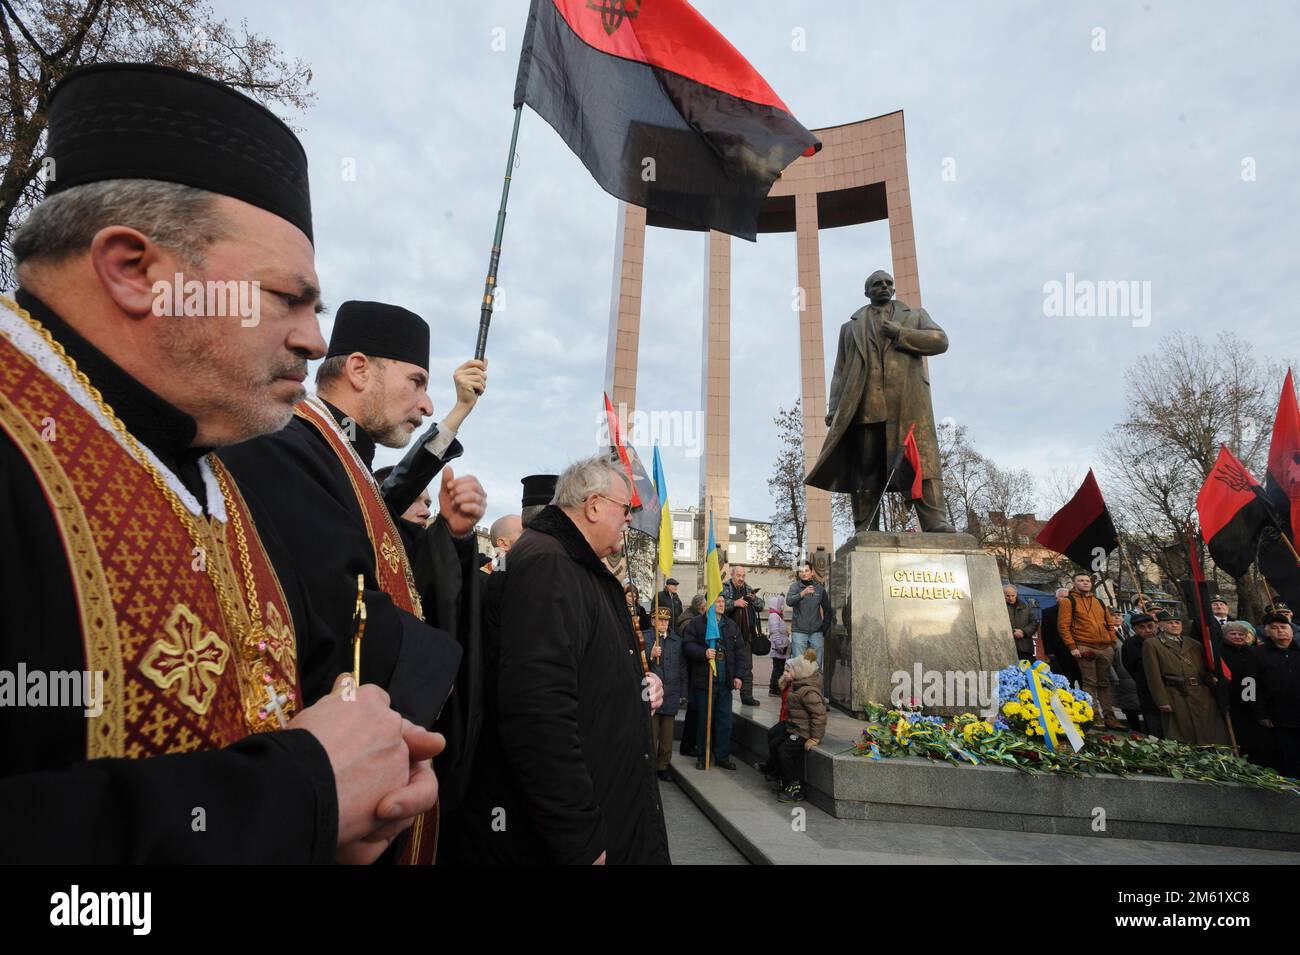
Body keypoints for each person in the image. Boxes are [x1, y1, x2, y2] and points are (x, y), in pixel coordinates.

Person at [0, 62, 441, 863]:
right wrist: (297, 795)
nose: (315, 340)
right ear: (135, 271)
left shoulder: (210, 474)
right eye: (288, 298)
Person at [219, 302, 485, 861]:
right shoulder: (287, 442)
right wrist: (454, 675)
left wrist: (457, 417)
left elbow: (376, 509)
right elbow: (337, 597)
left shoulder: (339, 452)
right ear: (360, 370)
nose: (426, 401)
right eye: (416, 381)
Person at [450, 454, 669, 864]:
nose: (629, 520)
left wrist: (638, 683)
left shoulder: (578, 565)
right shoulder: (548, 564)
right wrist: (579, 836)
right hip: (582, 829)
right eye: (626, 509)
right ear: (594, 505)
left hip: (612, 804)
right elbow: (538, 712)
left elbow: (588, 667)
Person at [807, 269, 955, 533]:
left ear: (894, 289)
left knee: (922, 461)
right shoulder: (850, 327)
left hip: (909, 404)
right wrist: (834, 407)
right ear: (867, 292)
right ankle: (865, 527)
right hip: (865, 405)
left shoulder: (915, 316)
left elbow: (940, 341)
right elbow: (840, 371)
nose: (884, 286)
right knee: (865, 469)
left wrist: (900, 333)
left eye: (888, 283)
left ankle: (935, 521)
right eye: (877, 284)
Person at [1141, 609, 1231, 746]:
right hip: (1176, 695)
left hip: (1201, 694)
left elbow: (1204, 670)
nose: (1174, 625)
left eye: (1177, 622)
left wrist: (1216, 685)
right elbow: (1153, 675)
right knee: (1183, 735)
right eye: (1169, 622)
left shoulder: (1194, 644)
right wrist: (1162, 700)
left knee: (1211, 733)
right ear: (1160, 625)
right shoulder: (1153, 644)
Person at [682, 593, 747, 770]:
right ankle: (703, 755)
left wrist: (738, 676)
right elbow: (687, 645)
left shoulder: (731, 625)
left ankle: (722, 756)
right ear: (709, 604)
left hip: (725, 683)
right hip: (705, 681)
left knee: (724, 721)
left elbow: (740, 653)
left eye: (723, 602)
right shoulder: (697, 623)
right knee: (705, 720)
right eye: (717, 601)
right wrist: (703, 653)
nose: (721, 604)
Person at [1057, 572, 1125, 729]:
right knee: (1090, 683)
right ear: (1074, 584)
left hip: (1105, 647)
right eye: (1081, 580)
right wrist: (1073, 647)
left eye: (1087, 580)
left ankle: (1109, 716)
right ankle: (1093, 715)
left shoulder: (1099, 602)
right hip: (1085, 646)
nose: (1085, 583)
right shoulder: (1068, 602)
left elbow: (1109, 622)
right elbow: (1063, 626)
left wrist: (1112, 642)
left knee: (1104, 683)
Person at [1220, 620, 1274, 767]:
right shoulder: (1219, 652)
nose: (1238, 637)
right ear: (1225, 636)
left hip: (1250, 698)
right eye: (1233, 634)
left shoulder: (1252, 652)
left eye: (1241, 634)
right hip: (1231, 699)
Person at [776, 649, 827, 803]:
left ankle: (794, 788)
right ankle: (784, 782)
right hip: (795, 728)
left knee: (784, 751)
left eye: (792, 669)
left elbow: (819, 715)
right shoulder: (799, 685)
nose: (789, 670)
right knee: (777, 743)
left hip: (803, 732)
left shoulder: (808, 692)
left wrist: (815, 738)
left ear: (800, 672)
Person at [1255, 612, 1300, 778]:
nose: (1280, 631)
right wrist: (1260, 713)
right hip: (1278, 716)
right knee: (1289, 756)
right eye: (1274, 628)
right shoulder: (1257, 654)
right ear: (1266, 632)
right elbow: (1249, 685)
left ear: (1291, 630)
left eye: (1283, 627)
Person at [646, 607, 686, 781]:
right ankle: (648, 766)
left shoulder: (676, 640)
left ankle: (663, 766)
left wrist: (683, 691)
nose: (663, 623)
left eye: (666, 620)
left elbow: (683, 668)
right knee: (650, 732)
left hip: (670, 692)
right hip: (651, 693)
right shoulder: (645, 637)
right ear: (653, 621)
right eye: (659, 620)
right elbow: (635, 661)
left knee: (667, 735)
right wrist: (650, 653)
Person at [723, 564, 765, 706]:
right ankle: (724, 695)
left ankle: (747, 697)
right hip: (727, 636)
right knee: (726, 666)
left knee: (747, 668)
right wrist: (735, 603)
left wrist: (753, 599)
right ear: (732, 575)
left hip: (746, 637)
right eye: (738, 576)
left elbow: (761, 605)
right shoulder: (725, 587)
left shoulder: (748, 588)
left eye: (743, 576)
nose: (741, 579)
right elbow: (718, 604)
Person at [1121, 612, 1163, 737]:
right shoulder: (1130, 645)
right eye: (1142, 628)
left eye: (1150, 626)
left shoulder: (1162, 641)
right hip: (1147, 691)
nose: (1148, 630)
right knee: (1154, 727)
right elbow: (1130, 666)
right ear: (1135, 629)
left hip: (1169, 690)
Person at [787, 559, 832, 670]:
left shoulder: (820, 589)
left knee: (816, 666)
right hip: (799, 632)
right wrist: (803, 593)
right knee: (798, 667)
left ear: (812, 572)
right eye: (801, 571)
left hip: (816, 633)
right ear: (798, 573)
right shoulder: (794, 587)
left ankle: (815, 687)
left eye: (806, 570)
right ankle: (800, 687)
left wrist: (823, 628)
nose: (804, 573)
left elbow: (828, 610)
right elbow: (789, 601)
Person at [678, 593, 707, 758]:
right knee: (694, 709)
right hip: (691, 672)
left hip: (694, 672)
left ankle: (690, 744)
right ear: (700, 608)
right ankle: (688, 745)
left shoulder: (689, 618)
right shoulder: (689, 623)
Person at [1039, 587, 1081, 687]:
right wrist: (1048, 651)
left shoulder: (1076, 611)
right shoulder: (1048, 612)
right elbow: (1046, 632)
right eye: (1062, 597)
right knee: (1065, 677)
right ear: (1056, 598)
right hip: (1059, 649)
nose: (1065, 599)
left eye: (1067, 597)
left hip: (1077, 648)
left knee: (1080, 675)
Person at [1004, 584, 1040, 662]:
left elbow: (1034, 623)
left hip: (1025, 647)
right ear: (1003, 595)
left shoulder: (1026, 607)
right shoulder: (1000, 608)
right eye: (1008, 596)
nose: (1010, 598)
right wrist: (1013, 632)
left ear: (1016, 594)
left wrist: (1024, 632)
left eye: (1013, 595)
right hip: (1007, 647)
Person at [767, 596, 791, 696]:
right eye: (780, 604)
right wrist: (780, 646)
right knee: (778, 669)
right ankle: (774, 689)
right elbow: (775, 632)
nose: (782, 606)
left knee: (779, 668)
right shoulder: (774, 616)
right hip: (779, 648)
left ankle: (776, 688)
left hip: (781, 648)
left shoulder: (778, 616)